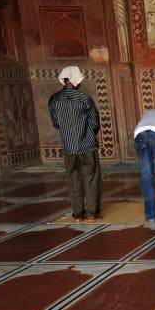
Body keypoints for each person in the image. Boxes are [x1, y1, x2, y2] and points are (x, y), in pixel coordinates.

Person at [48, 66, 102, 223]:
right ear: (76, 79)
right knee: (91, 178)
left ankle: (78, 215)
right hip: (87, 146)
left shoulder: (54, 100)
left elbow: (56, 123)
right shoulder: (84, 99)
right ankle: (92, 213)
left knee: (73, 180)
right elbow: (94, 123)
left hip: (68, 147)